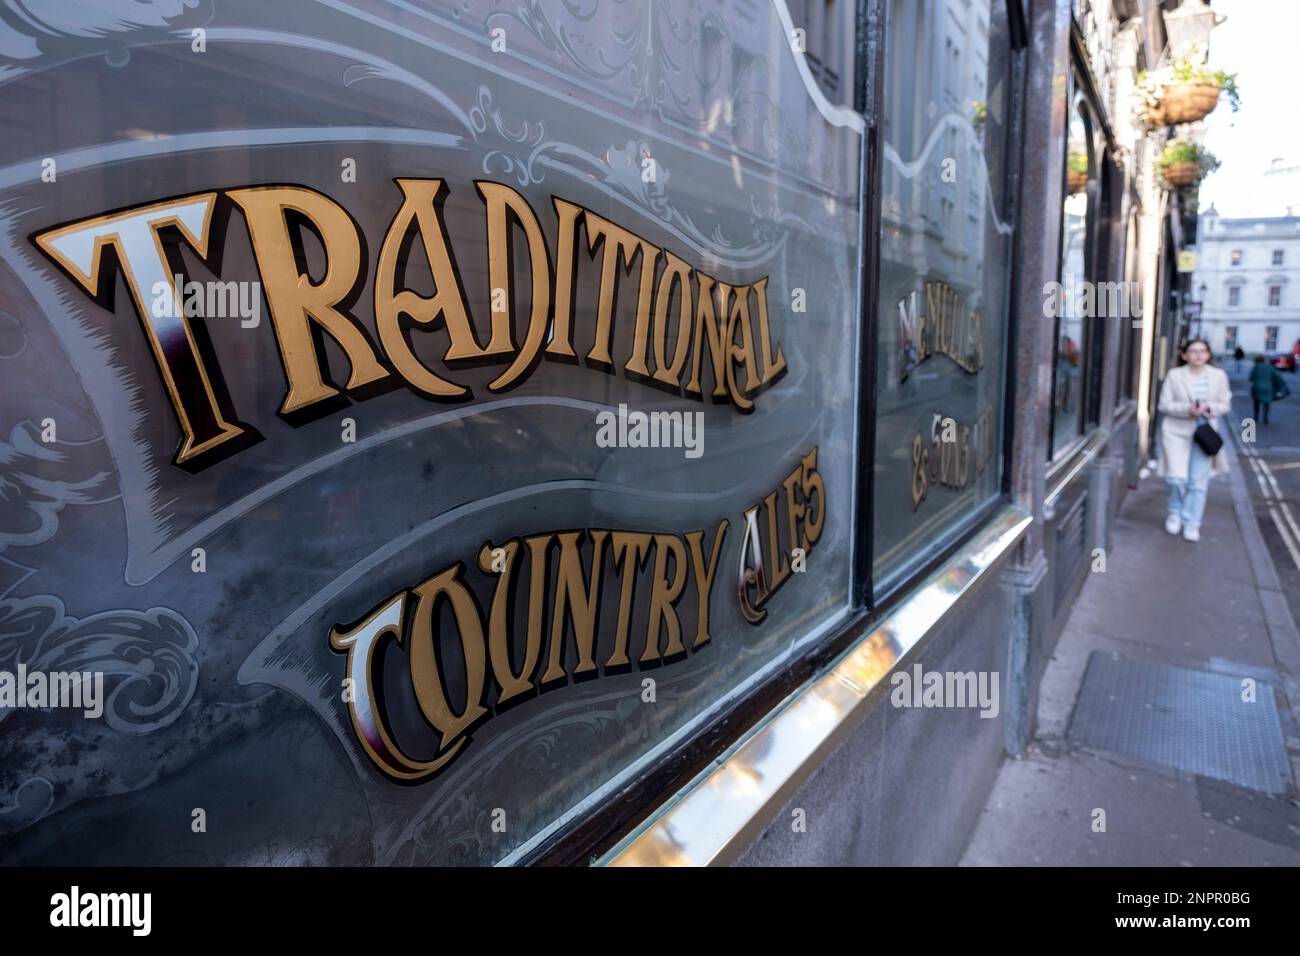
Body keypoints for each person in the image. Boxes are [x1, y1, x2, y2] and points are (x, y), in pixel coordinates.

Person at [1157, 338, 1231, 543]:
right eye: (1193, 351)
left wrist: (1208, 408)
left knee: (1198, 482)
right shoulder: (1175, 375)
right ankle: (1174, 512)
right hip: (1176, 432)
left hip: (1204, 435)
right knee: (1175, 479)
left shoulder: (1218, 376)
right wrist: (1187, 409)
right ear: (1184, 355)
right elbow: (1164, 404)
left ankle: (1192, 522)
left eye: (1202, 351)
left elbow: (1224, 405)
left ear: (1208, 354)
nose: (1198, 355)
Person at [1248, 354, 1288, 424]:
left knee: (1256, 403)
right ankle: (1265, 418)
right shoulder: (1270, 367)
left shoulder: (1256, 367)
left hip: (1257, 388)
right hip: (1268, 388)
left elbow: (1251, 378)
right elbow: (1276, 377)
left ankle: (1256, 416)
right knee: (1267, 403)